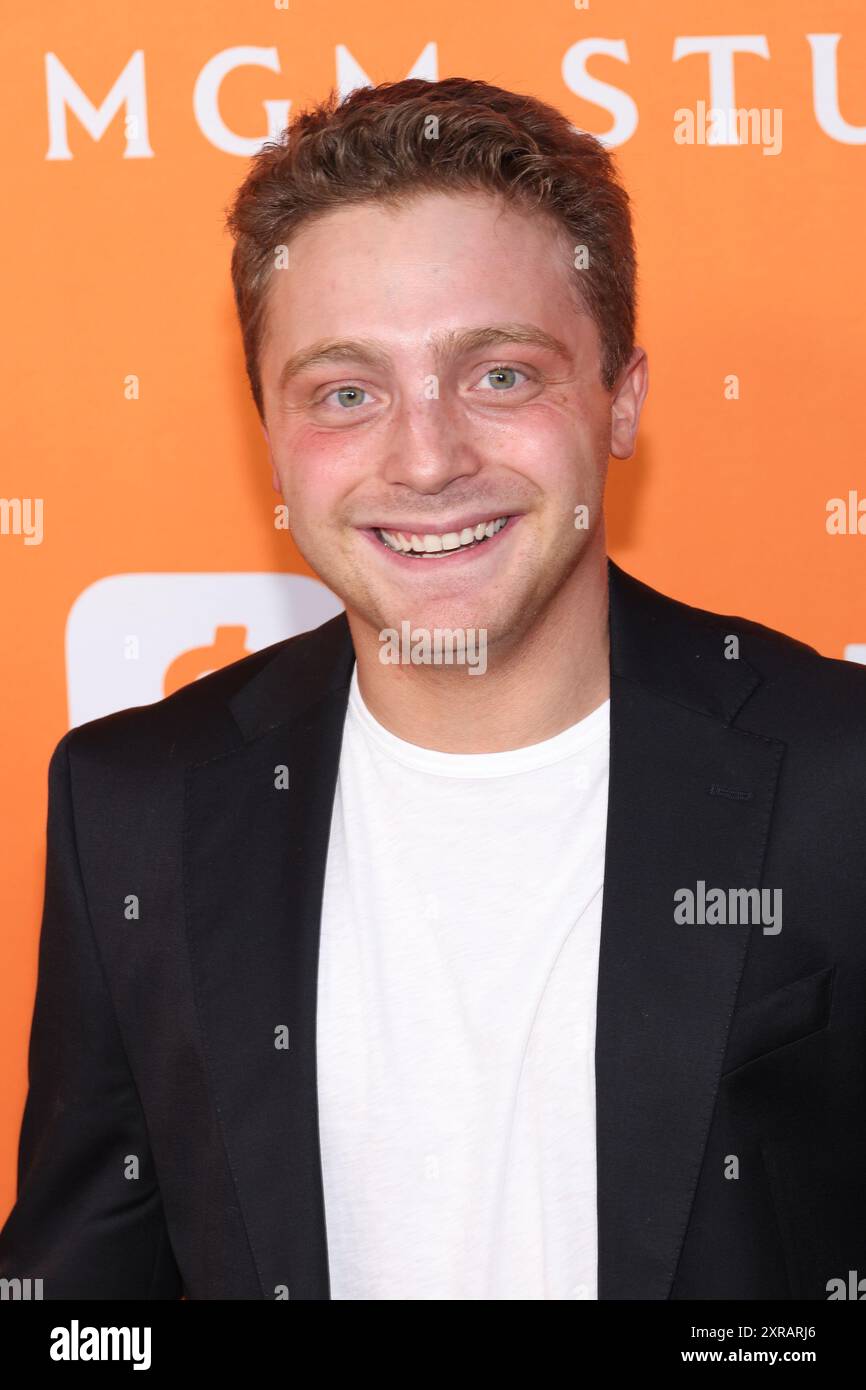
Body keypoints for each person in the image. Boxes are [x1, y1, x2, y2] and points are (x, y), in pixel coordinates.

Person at [1, 76, 864, 1301]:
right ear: (271, 441)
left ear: (619, 399)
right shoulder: (133, 803)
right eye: (346, 393)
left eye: (499, 374)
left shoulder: (838, 776)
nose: (425, 457)